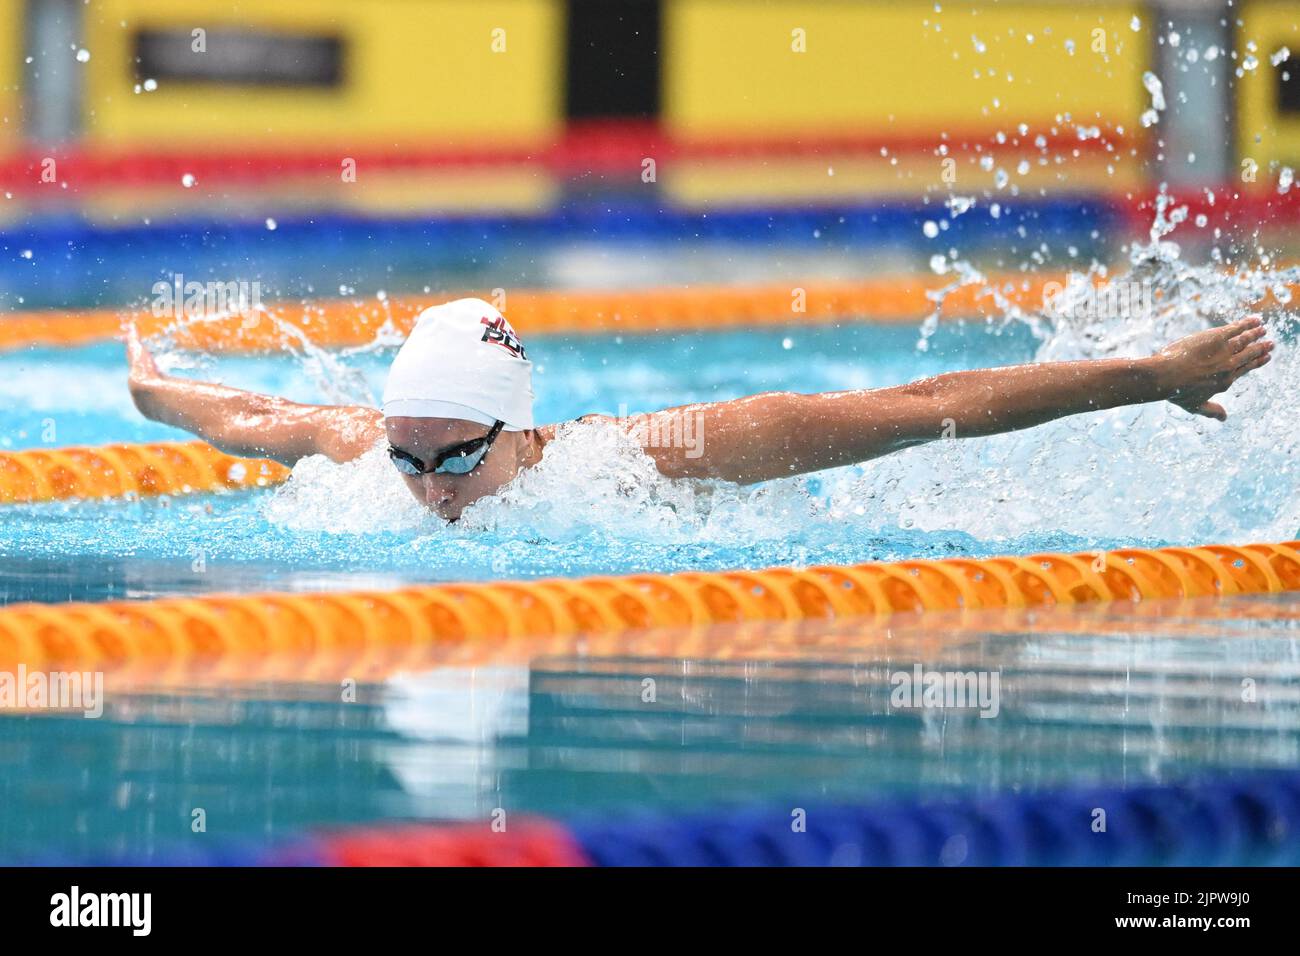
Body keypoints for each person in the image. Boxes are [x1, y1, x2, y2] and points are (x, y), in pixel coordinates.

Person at [126, 297, 1274, 523]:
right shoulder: (375, 457)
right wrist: (155, 387)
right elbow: (253, 413)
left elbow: (918, 404)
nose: (427, 492)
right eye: (406, 457)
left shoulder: (646, 460)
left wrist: (1144, 376)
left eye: (453, 461)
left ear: (517, 433)